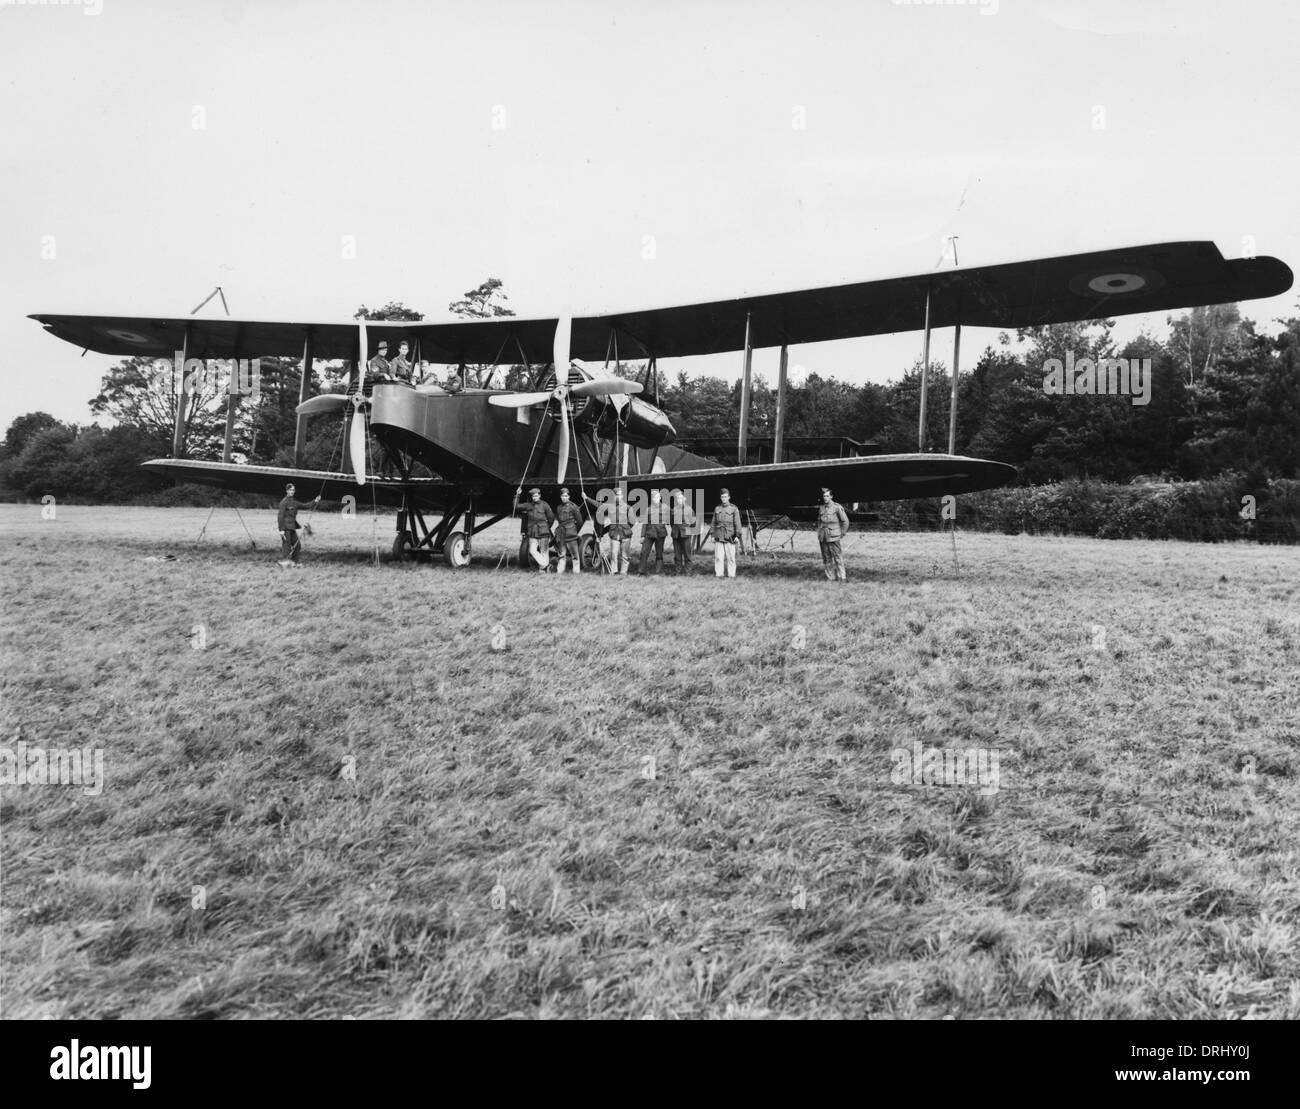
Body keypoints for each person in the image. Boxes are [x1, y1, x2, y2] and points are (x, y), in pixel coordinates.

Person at [276, 483, 320, 568]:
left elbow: (305, 505)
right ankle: (284, 562)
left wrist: (315, 501)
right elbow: (280, 516)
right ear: (287, 491)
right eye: (290, 490)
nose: (292, 491)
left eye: (293, 490)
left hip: (292, 527)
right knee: (287, 545)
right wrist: (281, 530)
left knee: (298, 545)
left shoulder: (294, 502)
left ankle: (294, 562)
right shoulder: (283, 502)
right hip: (285, 528)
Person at [816, 486, 850, 582]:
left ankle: (842, 577)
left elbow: (845, 522)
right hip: (823, 536)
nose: (825, 498)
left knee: (837, 557)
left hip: (834, 536)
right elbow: (819, 521)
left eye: (827, 496)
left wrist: (841, 534)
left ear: (831, 497)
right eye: (824, 496)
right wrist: (819, 531)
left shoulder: (837, 507)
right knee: (826, 557)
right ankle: (830, 577)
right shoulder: (821, 508)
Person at [519, 487, 555, 573]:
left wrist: (546, 527)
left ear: (539, 495)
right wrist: (517, 495)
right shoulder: (528, 505)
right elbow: (516, 506)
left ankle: (543, 570)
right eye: (533, 496)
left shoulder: (544, 505)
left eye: (536, 496)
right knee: (532, 551)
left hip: (543, 532)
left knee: (544, 552)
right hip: (532, 532)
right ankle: (546, 565)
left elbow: (551, 518)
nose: (534, 497)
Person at [711, 487, 744, 578]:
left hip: (730, 535)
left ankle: (731, 575)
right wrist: (712, 535)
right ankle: (719, 574)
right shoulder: (717, 508)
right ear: (720, 498)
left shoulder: (734, 509)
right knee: (718, 557)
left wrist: (737, 535)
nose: (724, 499)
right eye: (722, 497)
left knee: (731, 557)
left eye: (725, 497)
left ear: (729, 497)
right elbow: (713, 522)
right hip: (719, 535)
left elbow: (737, 523)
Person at [600, 486, 633, 574]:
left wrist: (625, 527)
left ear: (622, 496)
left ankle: (623, 572)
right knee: (613, 553)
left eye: (620, 495)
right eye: (616, 495)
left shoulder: (628, 508)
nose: (619, 497)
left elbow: (632, 522)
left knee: (625, 554)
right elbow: (599, 506)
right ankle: (613, 571)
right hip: (614, 533)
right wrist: (587, 499)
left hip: (625, 533)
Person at [638, 489, 669, 575]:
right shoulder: (648, 509)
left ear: (660, 498)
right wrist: (642, 536)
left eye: (657, 497)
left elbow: (671, 517)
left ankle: (658, 572)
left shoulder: (665, 507)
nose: (656, 499)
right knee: (644, 552)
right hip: (649, 533)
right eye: (654, 497)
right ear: (652, 499)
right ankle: (641, 571)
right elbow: (644, 523)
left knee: (659, 553)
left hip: (660, 533)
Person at [554, 488, 584, 574]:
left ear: (569, 496)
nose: (564, 498)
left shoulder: (574, 507)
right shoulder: (558, 507)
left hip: (571, 533)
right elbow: (559, 521)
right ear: (560, 497)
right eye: (563, 496)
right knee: (562, 553)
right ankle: (560, 571)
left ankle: (576, 571)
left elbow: (580, 522)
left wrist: (573, 530)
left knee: (574, 554)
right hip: (561, 533)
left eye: (566, 496)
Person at [670, 490, 696, 574]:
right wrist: (675, 530)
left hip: (686, 534)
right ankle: (678, 571)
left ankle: (688, 571)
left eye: (680, 498)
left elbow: (693, 523)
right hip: (676, 535)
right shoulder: (673, 509)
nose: (679, 500)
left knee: (687, 554)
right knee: (677, 555)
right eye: (677, 498)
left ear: (684, 498)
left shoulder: (689, 509)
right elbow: (671, 522)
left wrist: (686, 529)